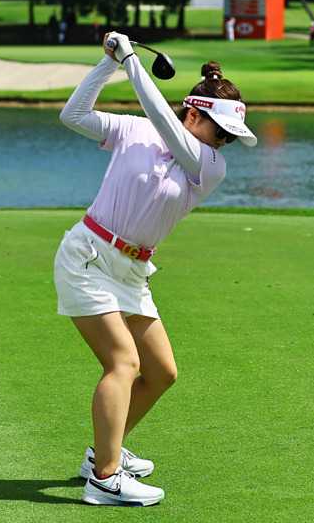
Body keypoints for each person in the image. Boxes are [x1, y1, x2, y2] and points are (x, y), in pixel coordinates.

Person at [56, 31, 257, 507]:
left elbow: (163, 122)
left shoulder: (209, 165)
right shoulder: (134, 130)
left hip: (132, 272)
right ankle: (105, 477)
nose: (225, 142)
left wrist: (131, 60)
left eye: (230, 137)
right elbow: (73, 116)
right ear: (195, 113)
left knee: (162, 372)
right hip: (88, 257)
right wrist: (109, 64)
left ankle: (101, 452)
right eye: (221, 131)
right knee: (123, 363)